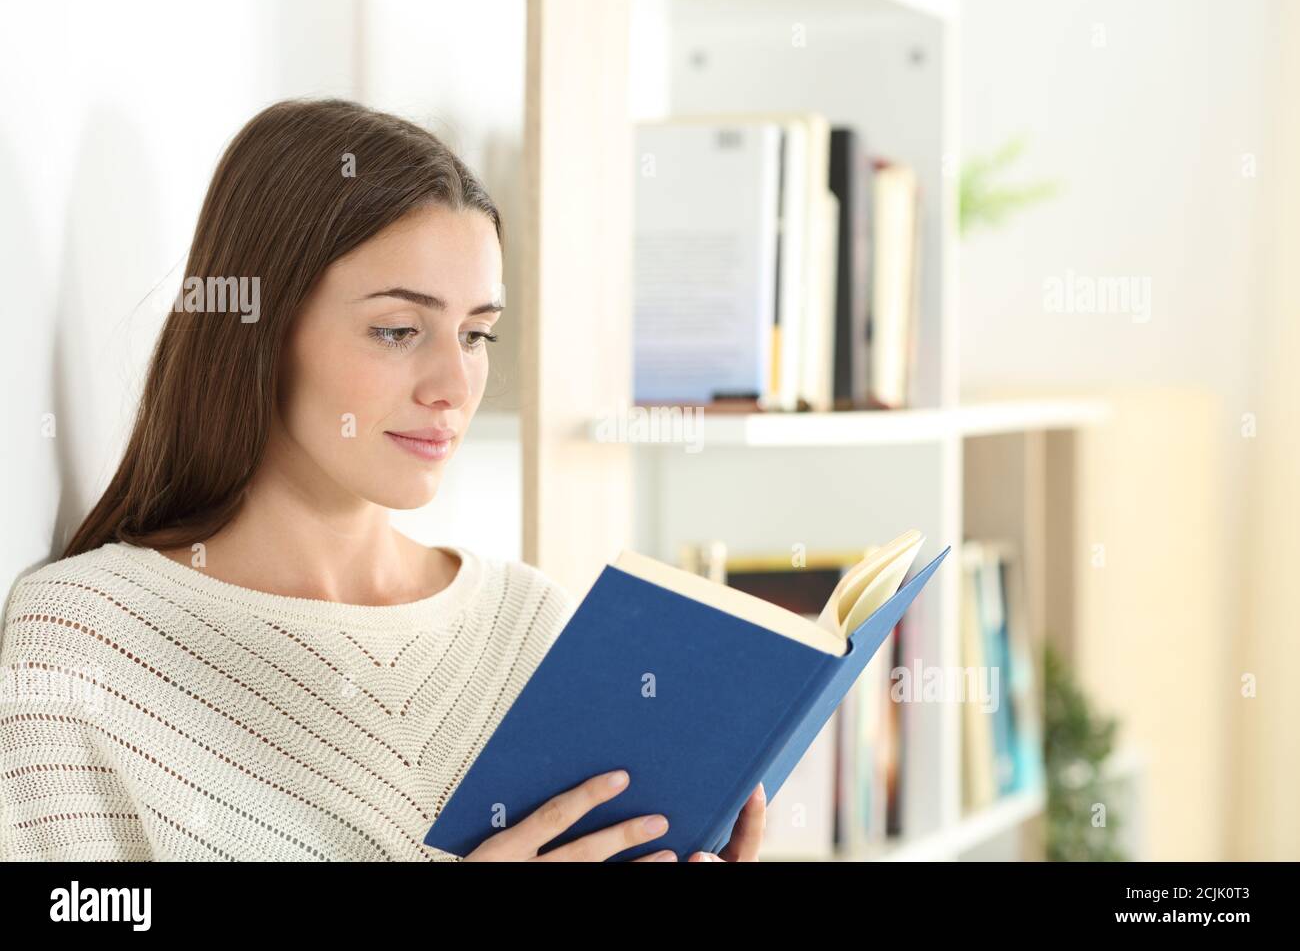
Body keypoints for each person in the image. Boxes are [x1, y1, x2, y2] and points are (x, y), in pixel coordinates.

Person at [0, 98, 764, 862]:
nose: (455, 385)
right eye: (399, 330)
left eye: (475, 334)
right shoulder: (83, 643)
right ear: (260, 326)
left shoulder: (526, 625)